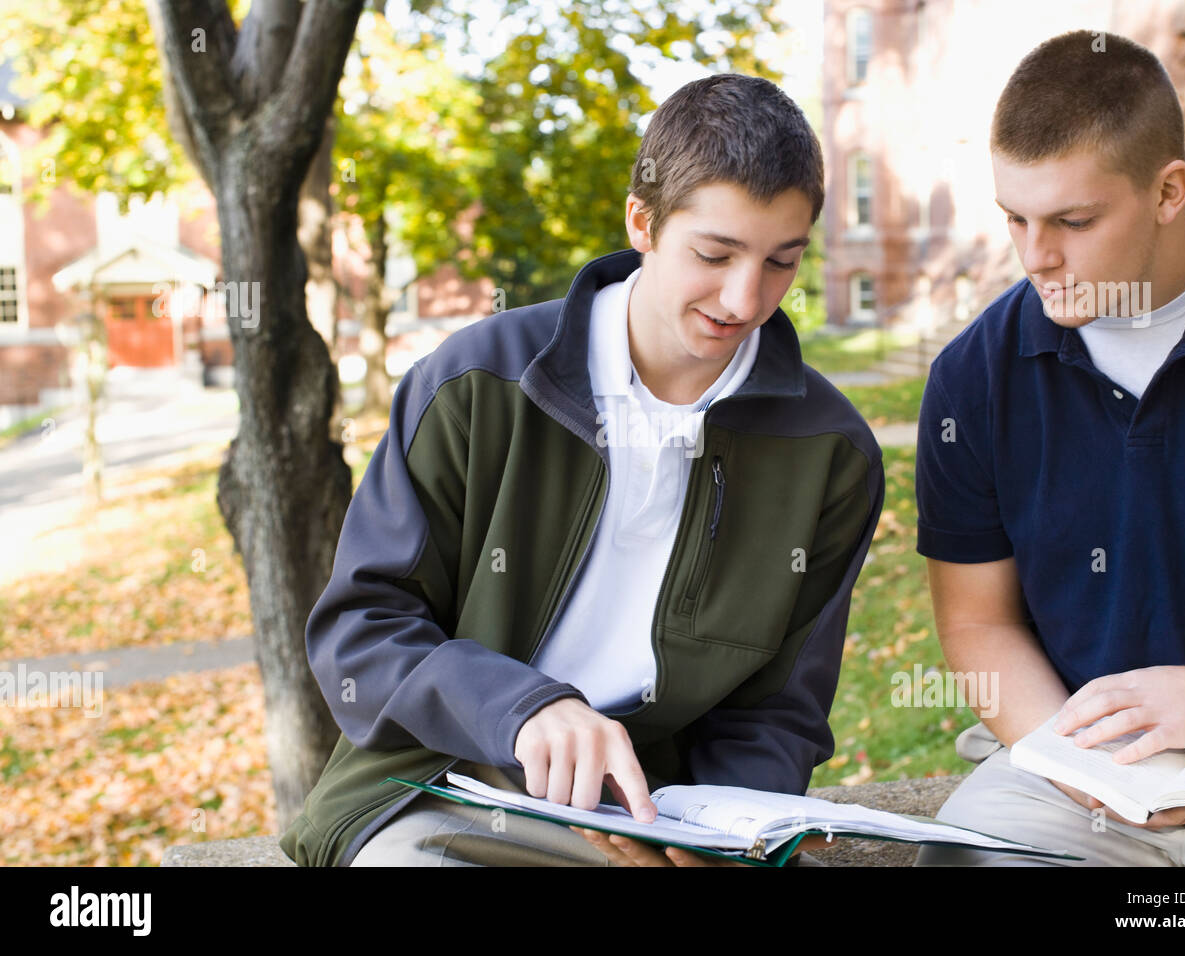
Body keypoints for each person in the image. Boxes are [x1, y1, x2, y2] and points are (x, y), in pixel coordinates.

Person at [278, 73, 885, 867]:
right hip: (443, 786)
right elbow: (362, 630)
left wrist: (725, 838)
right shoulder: (473, 385)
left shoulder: (830, 453)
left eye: (781, 261)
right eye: (715, 253)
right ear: (642, 220)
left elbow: (778, 713)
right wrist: (523, 711)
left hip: (657, 813)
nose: (745, 299)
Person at [913, 29, 1185, 866]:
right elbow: (977, 623)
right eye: (1014, 218)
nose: (1035, 257)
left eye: (1073, 221)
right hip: (1069, 763)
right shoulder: (972, 378)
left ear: (1168, 192)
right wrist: (1071, 756)